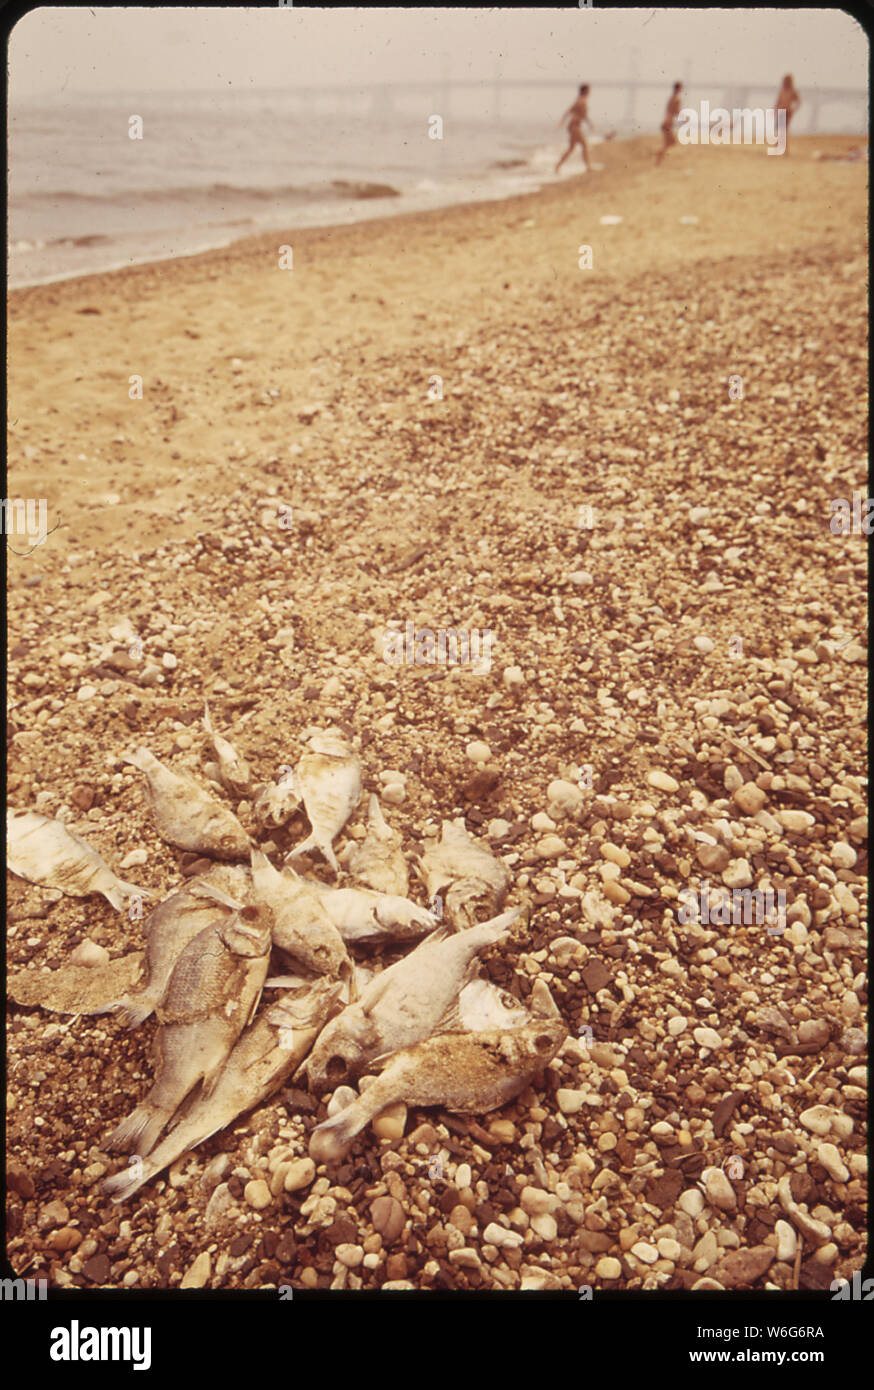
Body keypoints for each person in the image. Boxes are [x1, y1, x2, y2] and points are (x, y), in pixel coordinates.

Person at [555, 84, 593, 174]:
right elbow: (584, 115)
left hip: (572, 126)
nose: (590, 92)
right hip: (575, 127)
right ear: (584, 91)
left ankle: (558, 166)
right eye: (588, 90)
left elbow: (568, 111)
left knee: (571, 148)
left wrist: (562, 122)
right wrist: (590, 123)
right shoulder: (582, 101)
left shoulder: (578, 100)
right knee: (584, 145)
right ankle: (588, 167)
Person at [656, 81, 683, 165]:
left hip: (666, 123)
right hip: (668, 124)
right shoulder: (676, 99)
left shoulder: (671, 98)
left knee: (669, 143)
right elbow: (676, 112)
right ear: (679, 89)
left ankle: (659, 160)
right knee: (671, 143)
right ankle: (658, 158)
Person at [775, 74, 801, 154]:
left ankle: (784, 149)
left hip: (787, 112)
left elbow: (798, 102)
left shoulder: (792, 91)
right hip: (780, 112)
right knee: (779, 130)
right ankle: (779, 146)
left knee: (783, 130)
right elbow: (778, 102)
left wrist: (793, 109)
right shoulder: (782, 90)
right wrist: (775, 110)